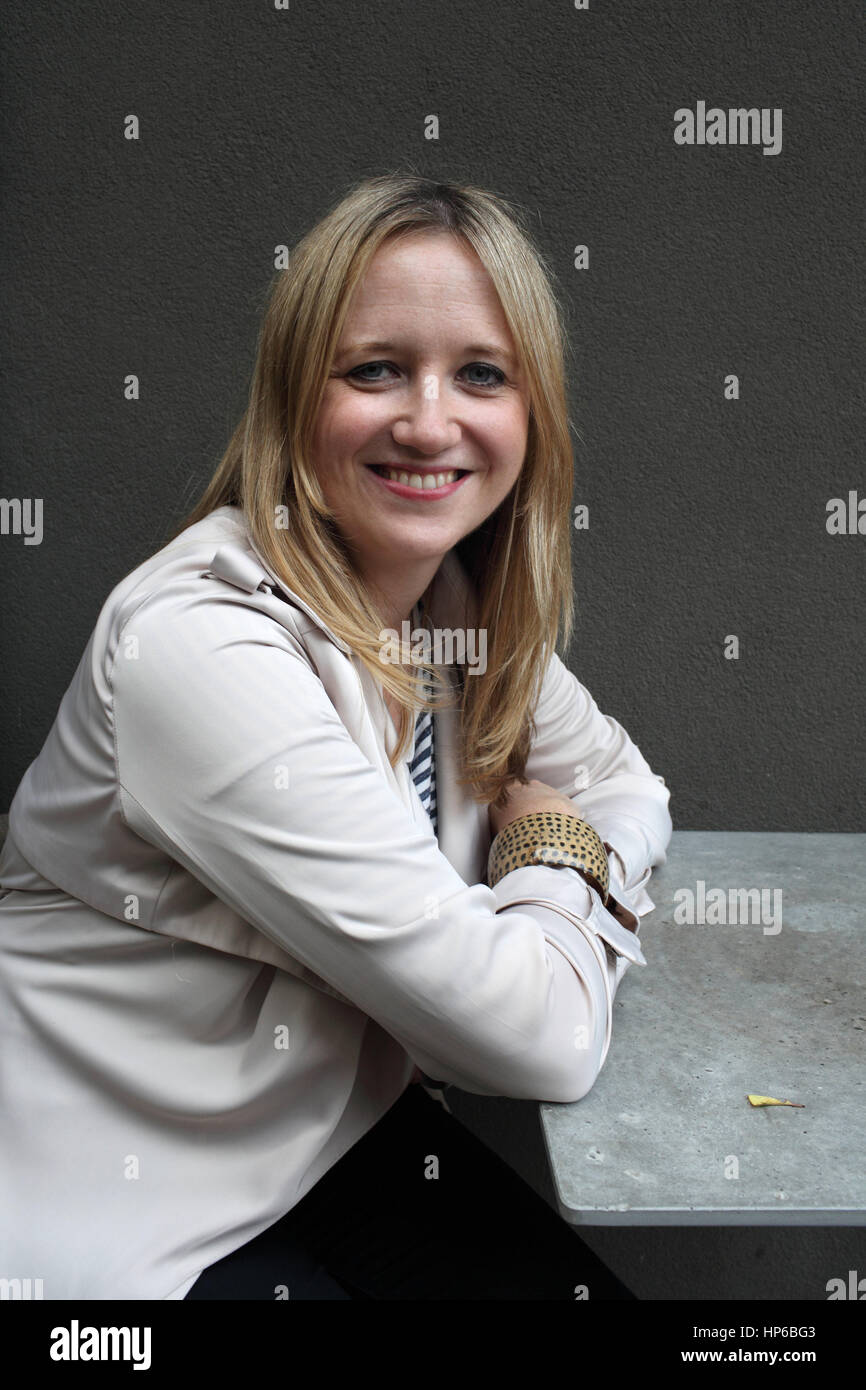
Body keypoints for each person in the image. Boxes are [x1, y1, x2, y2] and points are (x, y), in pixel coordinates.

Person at [0, 174, 672, 1300]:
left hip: (335, 1136)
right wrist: (551, 859)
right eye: (373, 369)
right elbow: (535, 1044)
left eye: (480, 374)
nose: (427, 419)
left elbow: (625, 784)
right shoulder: (201, 653)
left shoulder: (454, 608)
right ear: (292, 398)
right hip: (117, 1223)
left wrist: (548, 904)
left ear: (531, 414)